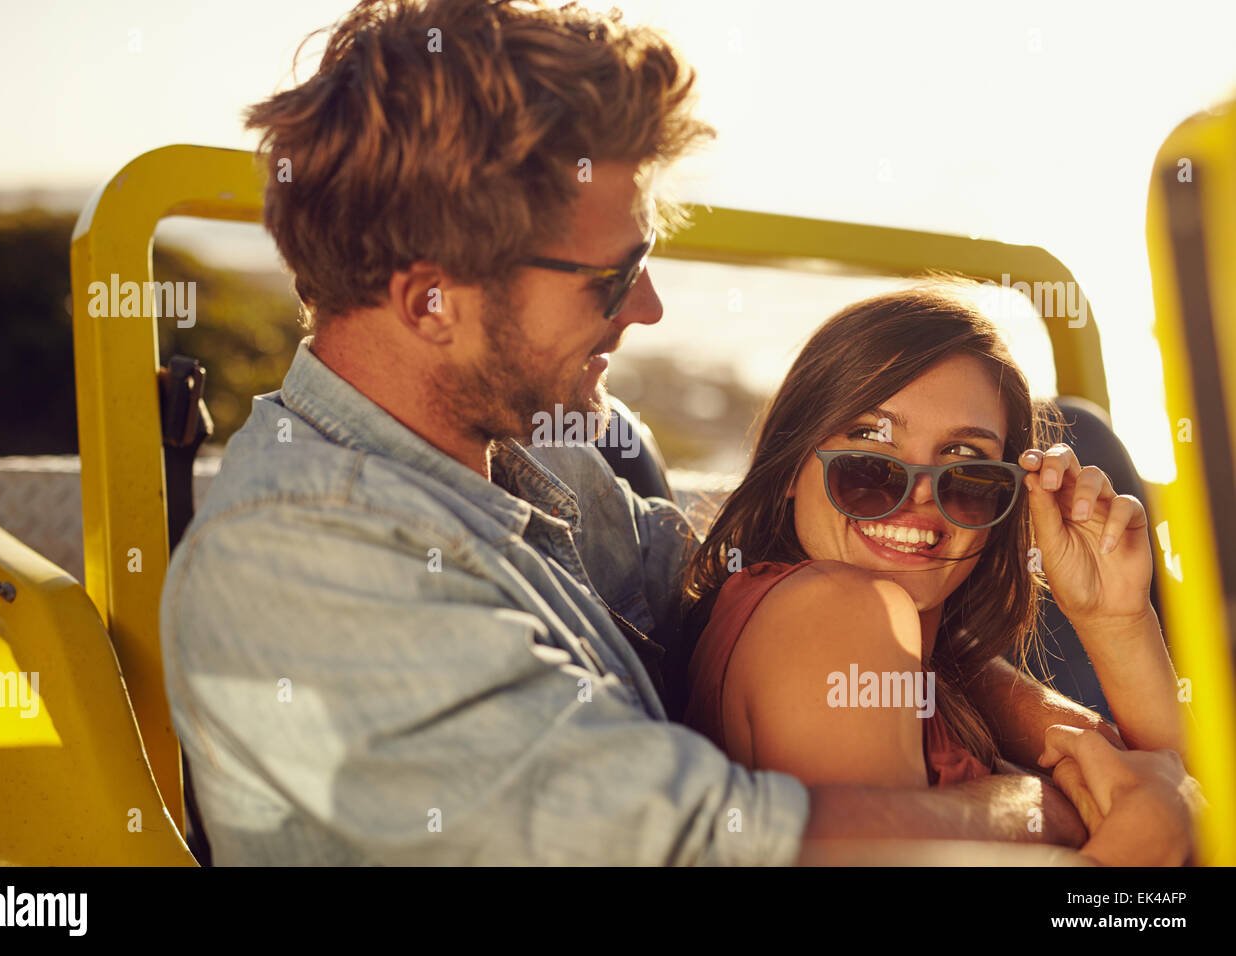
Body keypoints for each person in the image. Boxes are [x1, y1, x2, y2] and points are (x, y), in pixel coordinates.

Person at [159, 0, 1202, 865]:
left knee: (1091, 448)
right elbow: (689, 840)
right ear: (432, 301)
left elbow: (721, 571)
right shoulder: (297, 560)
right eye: (612, 276)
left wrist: (1068, 728)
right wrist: (1063, 810)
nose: (647, 307)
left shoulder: (529, 455)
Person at [681, 287, 1205, 863]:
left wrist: (1114, 618)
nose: (921, 494)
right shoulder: (843, 608)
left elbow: (1172, 797)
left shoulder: (938, 667)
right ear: (790, 464)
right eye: (871, 452)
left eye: (966, 464)